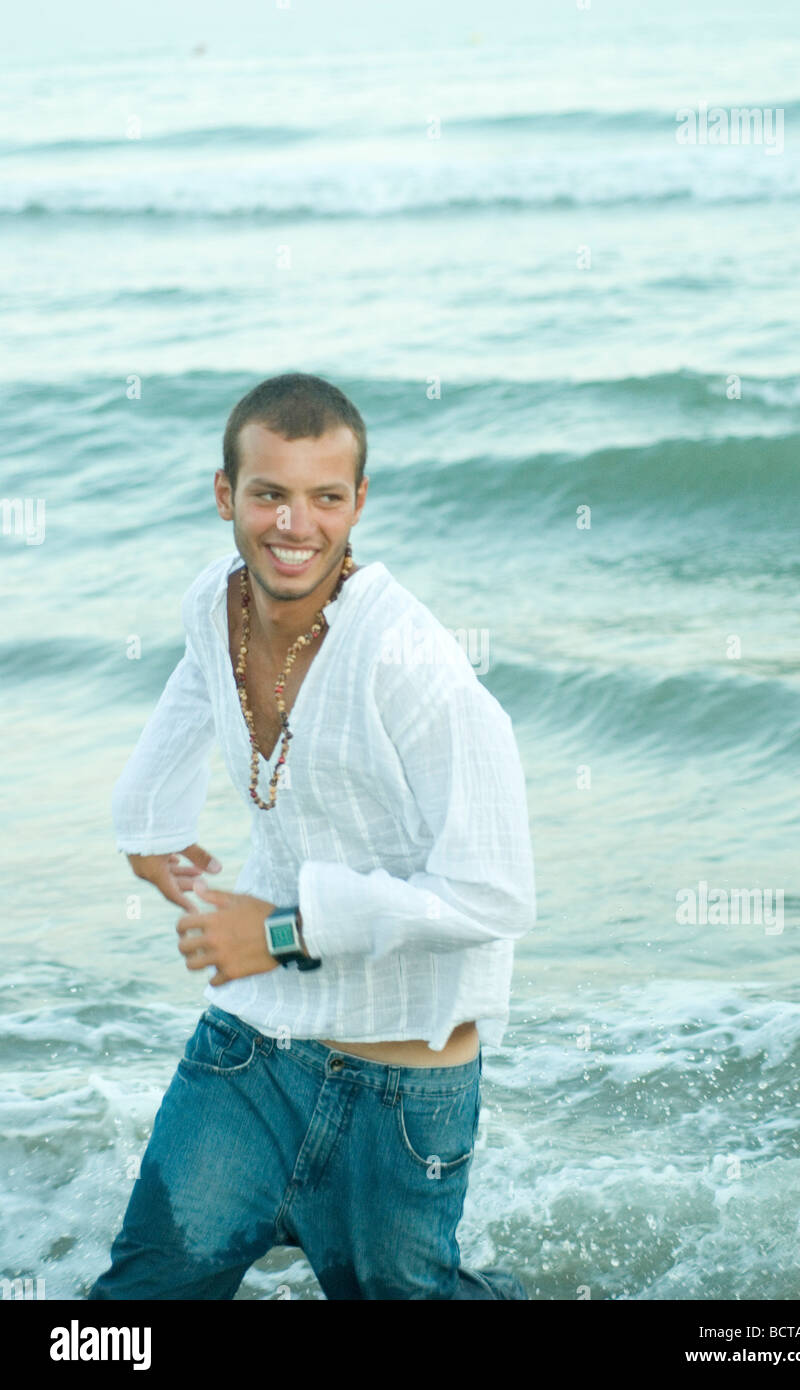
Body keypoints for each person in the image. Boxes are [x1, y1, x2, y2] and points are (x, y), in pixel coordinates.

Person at [88, 372, 537, 1301]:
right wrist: (146, 825)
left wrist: (284, 931)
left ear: (358, 503)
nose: (296, 526)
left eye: (325, 498)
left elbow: (496, 896)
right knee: (138, 1305)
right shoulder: (217, 601)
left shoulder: (411, 662)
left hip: (402, 1083)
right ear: (227, 496)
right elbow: (197, 679)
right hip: (257, 1047)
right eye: (270, 494)